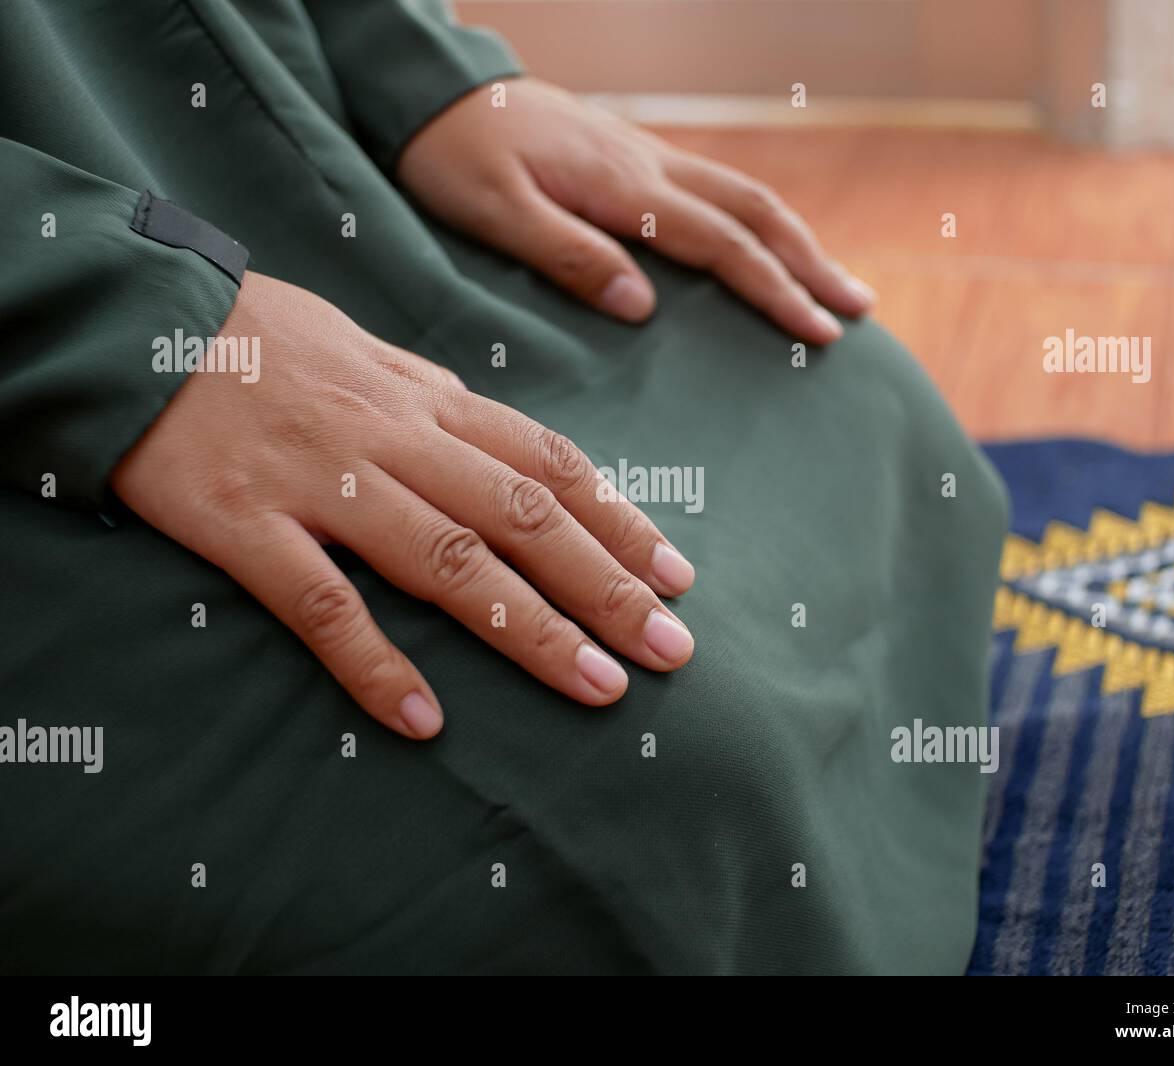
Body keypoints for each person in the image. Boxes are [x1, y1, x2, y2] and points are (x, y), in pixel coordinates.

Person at [0, 0, 1008, 974]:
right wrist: (120, 319)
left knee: (843, 387)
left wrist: (418, 74)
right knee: (667, 775)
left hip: (224, 148)